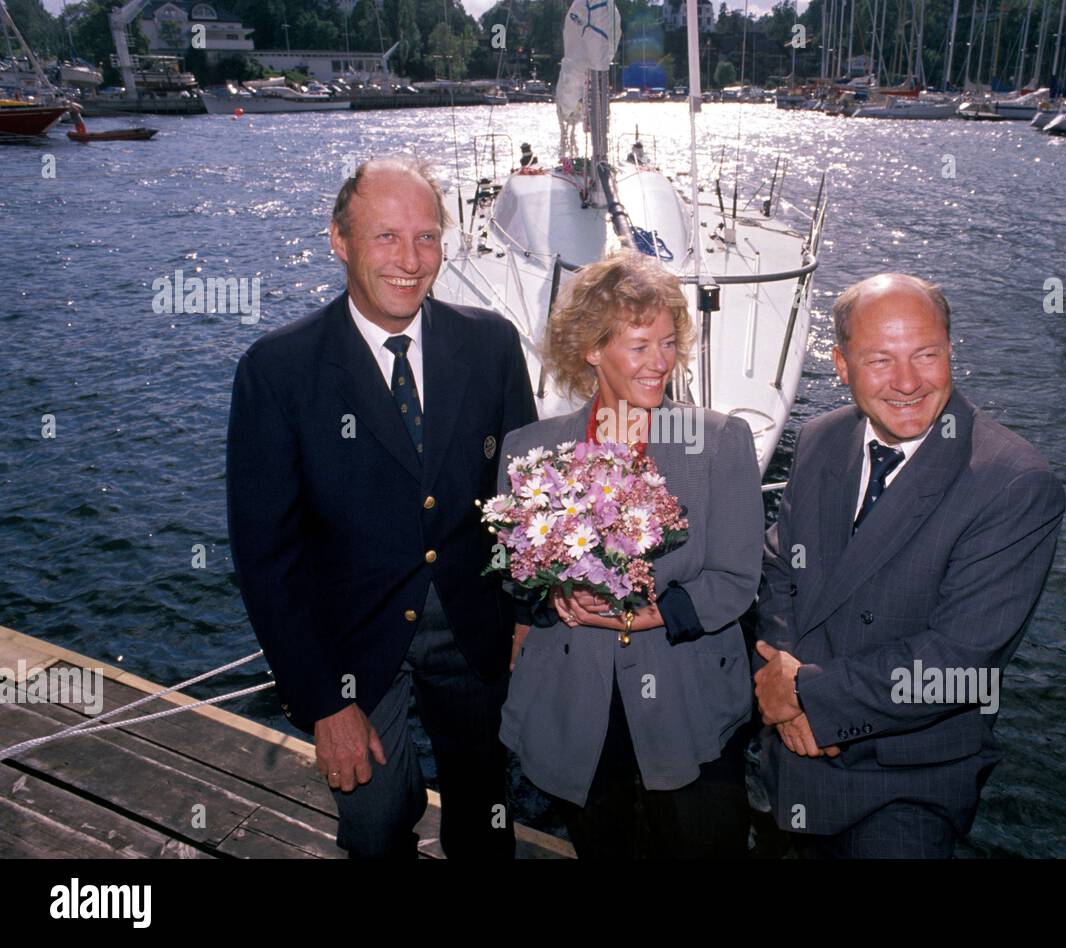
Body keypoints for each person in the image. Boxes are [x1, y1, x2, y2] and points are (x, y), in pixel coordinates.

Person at [226, 156, 536, 859]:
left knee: (486, 819)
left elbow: (523, 494)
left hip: (473, 628)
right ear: (340, 240)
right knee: (372, 830)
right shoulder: (278, 372)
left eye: (426, 238)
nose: (410, 259)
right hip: (351, 649)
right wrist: (324, 705)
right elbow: (266, 559)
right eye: (386, 237)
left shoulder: (490, 345)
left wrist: (523, 611)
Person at [753, 273, 1066, 858]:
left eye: (927, 355)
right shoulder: (822, 439)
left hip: (902, 791)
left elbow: (958, 660)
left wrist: (808, 699)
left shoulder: (1014, 483)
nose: (907, 383)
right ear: (840, 364)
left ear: (951, 350)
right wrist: (782, 679)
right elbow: (780, 571)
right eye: (880, 360)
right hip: (793, 764)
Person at [498, 250, 763, 858]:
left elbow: (736, 578)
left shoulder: (720, 441)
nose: (659, 364)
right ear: (592, 349)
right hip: (577, 706)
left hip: (688, 703)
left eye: (668, 344)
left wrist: (658, 613)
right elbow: (517, 578)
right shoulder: (530, 449)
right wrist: (554, 595)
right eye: (639, 346)